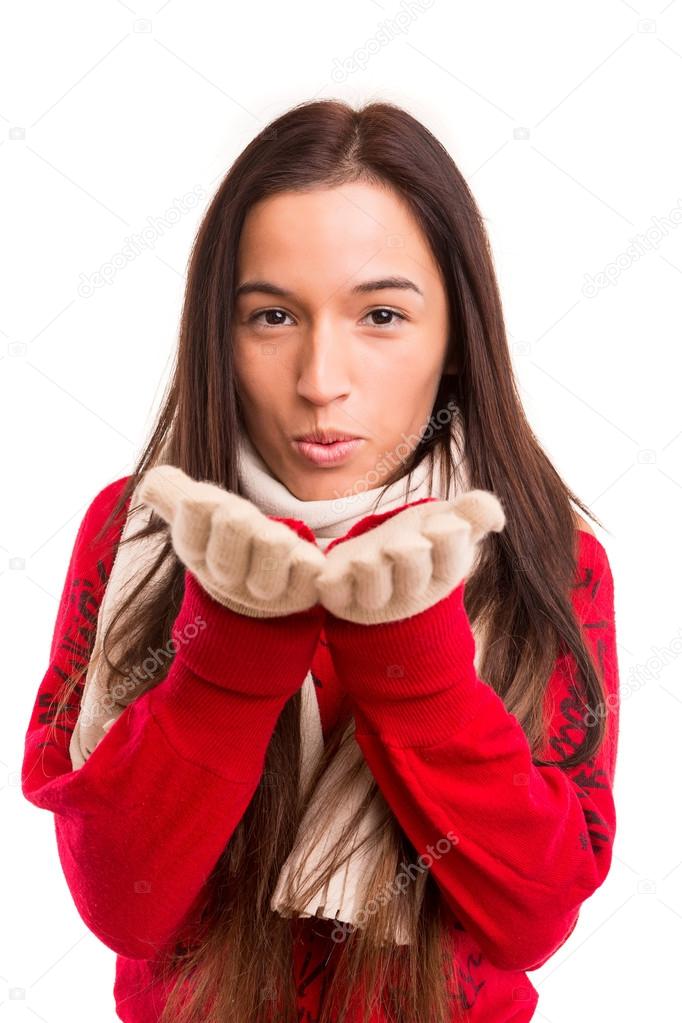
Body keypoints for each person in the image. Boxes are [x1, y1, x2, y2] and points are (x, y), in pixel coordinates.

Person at [21, 98, 620, 1023]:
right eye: (272, 316)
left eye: (381, 314)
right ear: (219, 336)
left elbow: (534, 915)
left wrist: (414, 654)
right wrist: (233, 640)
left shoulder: (547, 552)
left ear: (456, 339)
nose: (319, 380)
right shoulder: (136, 530)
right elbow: (123, 906)